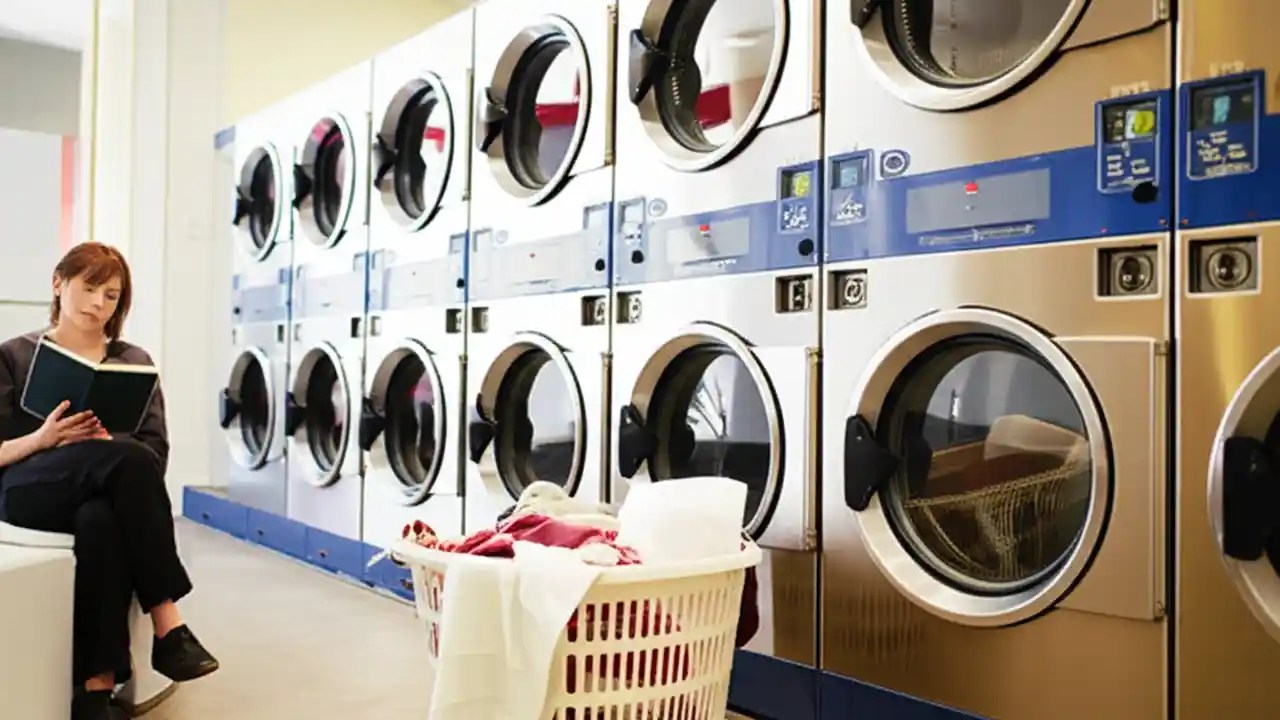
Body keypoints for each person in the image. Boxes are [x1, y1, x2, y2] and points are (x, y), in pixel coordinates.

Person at [0, 242, 219, 720]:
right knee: (126, 461)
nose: (99, 303)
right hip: (27, 489)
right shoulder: (13, 355)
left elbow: (155, 455)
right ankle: (168, 623)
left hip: (108, 486)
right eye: (89, 288)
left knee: (101, 518)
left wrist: (104, 447)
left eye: (112, 296)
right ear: (58, 284)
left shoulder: (132, 359)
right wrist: (43, 438)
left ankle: (96, 691)